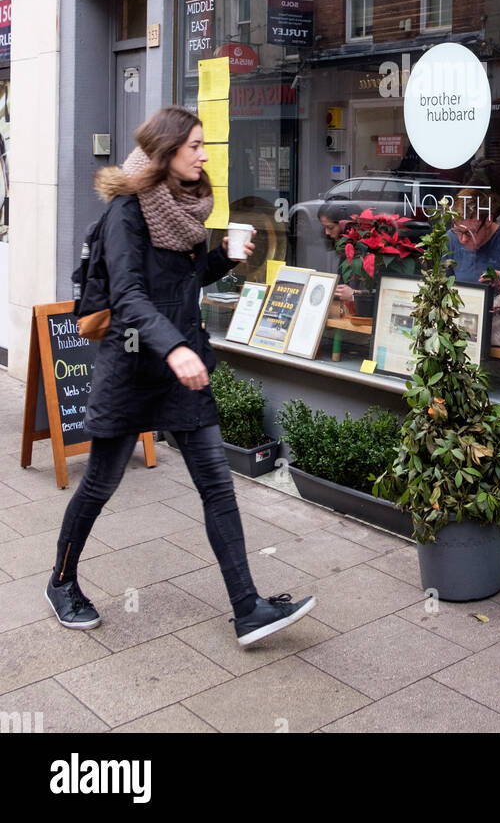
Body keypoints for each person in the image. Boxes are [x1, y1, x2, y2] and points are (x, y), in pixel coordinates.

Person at [46, 106, 316, 646]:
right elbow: (127, 296)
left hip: (181, 367)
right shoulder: (128, 212)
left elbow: (182, 283)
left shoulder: (187, 206)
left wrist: (222, 259)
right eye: (195, 145)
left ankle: (248, 609)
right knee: (100, 483)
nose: (204, 154)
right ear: (167, 151)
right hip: (132, 367)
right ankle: (61, 581)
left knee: (216, 483)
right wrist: (171, 348)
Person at [317, 202, 358, 314]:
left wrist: (355, 294)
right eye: (324, 227)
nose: (326, 232)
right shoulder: (342, 249)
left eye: (330, 227)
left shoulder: (362, 252)